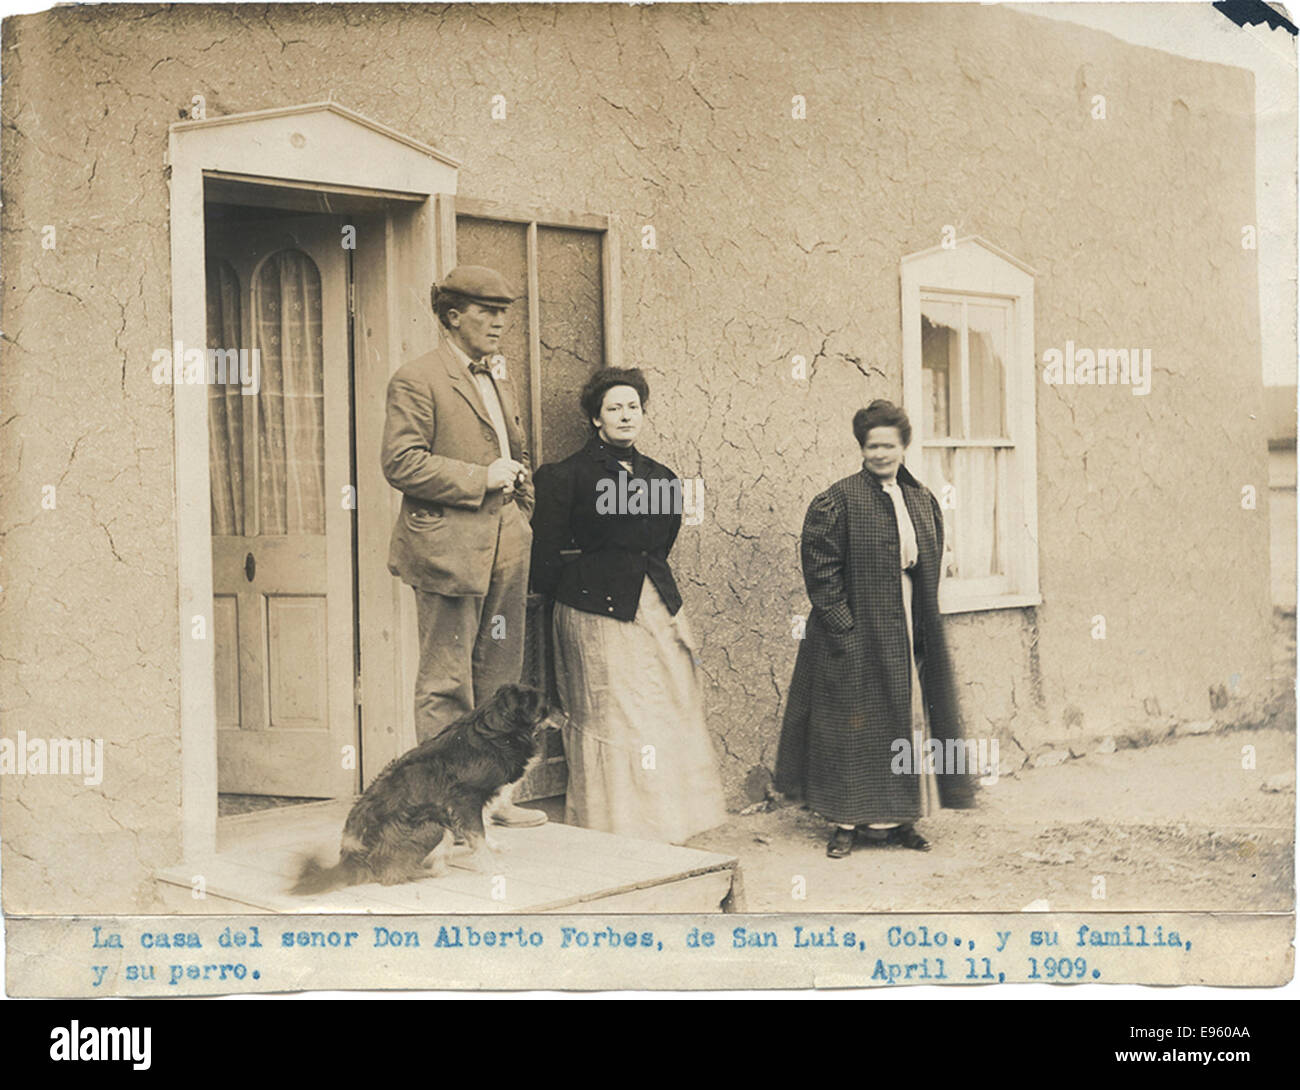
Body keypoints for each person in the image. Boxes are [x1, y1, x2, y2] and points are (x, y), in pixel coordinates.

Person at [530, 368, 727, 843]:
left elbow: (661, 543)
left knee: (667, 704)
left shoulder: (661, 476)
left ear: (643, 414)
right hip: (594, 611)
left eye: (632, 407)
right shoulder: (567, 476)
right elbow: (546, 556)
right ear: (595, 418)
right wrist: (583, 590)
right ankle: (618, 829)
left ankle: (668, 824)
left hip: (656, 604)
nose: (624, 415)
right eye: (613, 408)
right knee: (616, 712)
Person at [381, 264, 546, 828]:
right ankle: (442, 812)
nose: (500, 322)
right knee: (446, 682)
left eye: (504, 312)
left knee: (500, 677)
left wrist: (521, 504)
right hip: (449, 549)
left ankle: (492, 800)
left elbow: (515, 453)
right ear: (453, 317)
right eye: (487, 311)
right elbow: (401, 463)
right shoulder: (417, 378)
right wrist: (482, 479)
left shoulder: (499, 377)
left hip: (507, 540)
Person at [774, 399, 975, 858]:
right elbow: (820, 571)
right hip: (853, 624)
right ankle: (846, 823)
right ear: (861, 448)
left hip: (907, 618)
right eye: (871, 446)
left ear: (904, 446)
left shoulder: (921, 499)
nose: (880, 453)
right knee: (854, 723)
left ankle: (901, 820)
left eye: (888, 444)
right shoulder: (838, 500)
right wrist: (844, 628)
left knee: (907, 719)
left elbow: (931, 560)